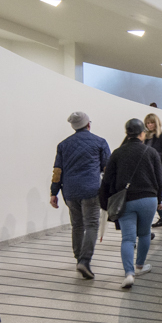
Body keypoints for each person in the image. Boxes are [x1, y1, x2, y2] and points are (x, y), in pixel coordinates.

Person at [98, 118, 162, 288]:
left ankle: (129, 273)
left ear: (127, 134)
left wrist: (104, 203)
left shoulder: (117, 153)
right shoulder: (151, 152)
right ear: (142, 133)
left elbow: (107, 180)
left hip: (126, 201)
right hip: (148, 199)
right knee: (144, 234)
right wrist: (160, 200)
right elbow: (159, 179)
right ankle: (140, 266)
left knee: (127, 239)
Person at [49, 111, 111, 279]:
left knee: (77, 225)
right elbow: (108, 169)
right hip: (91, 189)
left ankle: (78, 258)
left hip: (70, 191)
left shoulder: (63, 145)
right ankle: (84, 260)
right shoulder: (100, 142)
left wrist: (53, 192)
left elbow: (57, 172)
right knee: (91, 224)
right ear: (88, 124)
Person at [142, 113, 162, 229]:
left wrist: (154, 155)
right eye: (148, 123)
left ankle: (148, 222)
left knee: (153, 195)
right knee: (152, 195)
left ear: (156, 123)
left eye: (152, 122)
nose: (149, 125)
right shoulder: (144, 136)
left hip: (157, 170)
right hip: (146, 170)